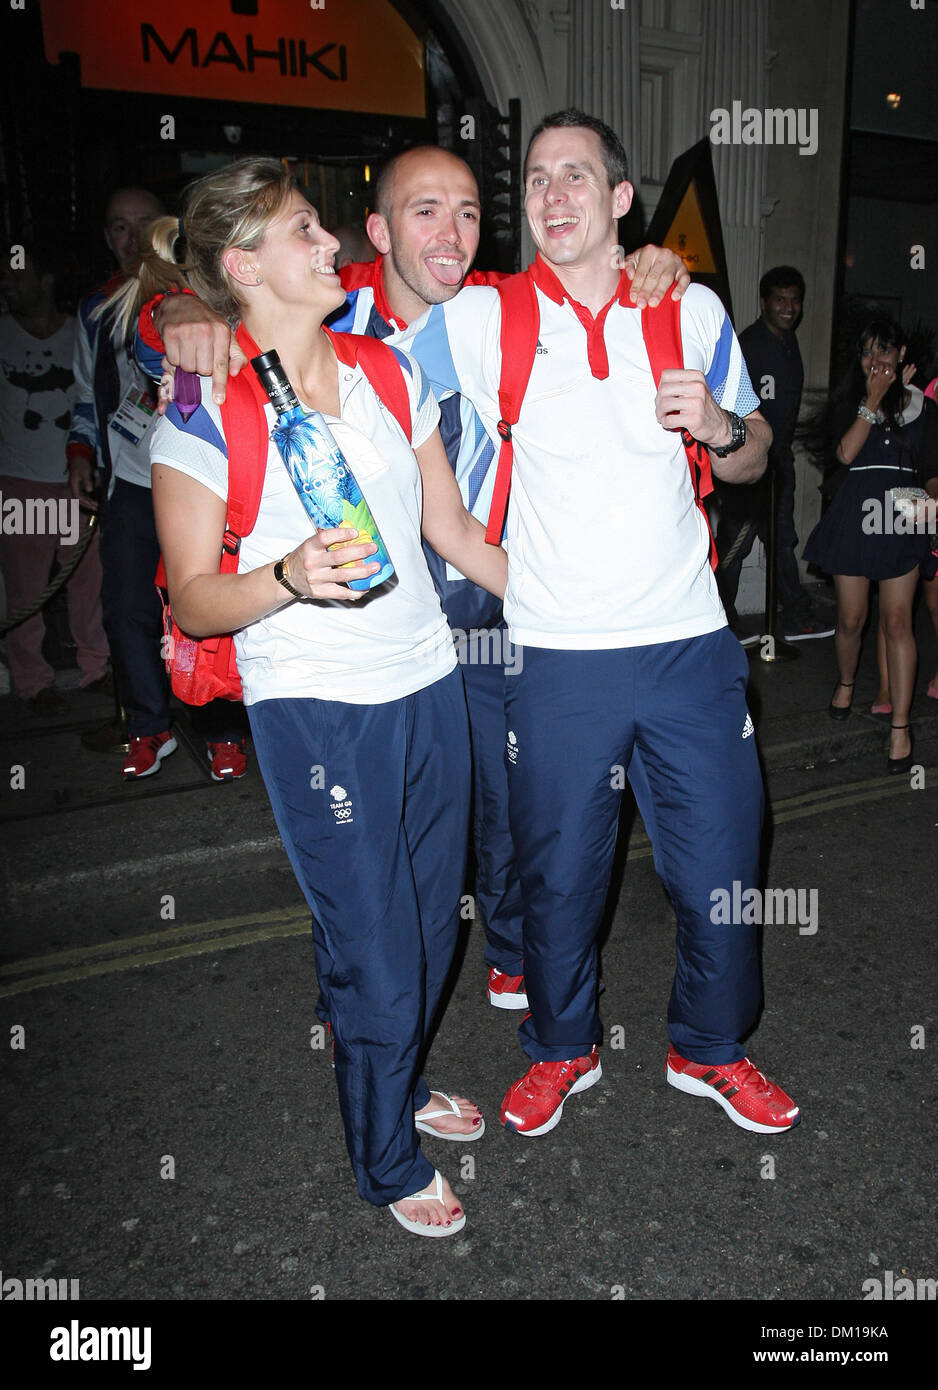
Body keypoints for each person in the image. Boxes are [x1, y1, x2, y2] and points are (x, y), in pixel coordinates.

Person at [140, 144, 689, 1010]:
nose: (451, 234)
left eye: (470, 211)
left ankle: (502, 952)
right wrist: (174, 310)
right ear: (378, 230)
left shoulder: (499, 307)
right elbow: (223, 289)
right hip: (346, 630)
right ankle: (366, 1002)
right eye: (425, 210)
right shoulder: (340, 304)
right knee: (365, 846)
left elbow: (601, 284)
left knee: (505, 796)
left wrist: (653, 260)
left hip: (483, 585)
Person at [392, 108, 801, 1140]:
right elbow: (353, 349)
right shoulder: (483, 320)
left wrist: (717, 426)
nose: (551, 196)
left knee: (720, 862)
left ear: (620, 198)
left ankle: (707, 1048)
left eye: (576, 176)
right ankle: (560, 1047)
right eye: (534, 180)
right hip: (558, 659)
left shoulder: (691, 307)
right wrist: (200, 313)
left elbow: (755, 451)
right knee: (557, 875)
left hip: (686, 648)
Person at [121, 156, 510, 1235]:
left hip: (428, 681)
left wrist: (585, 603)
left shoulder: (388, 372)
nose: (332, 246)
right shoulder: (202, 410)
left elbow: (455, 534)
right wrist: (288, 575)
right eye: (304, 232)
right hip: (317, 705)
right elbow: (195, 603)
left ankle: (393, 1071)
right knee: (374, 946)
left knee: (432, 926)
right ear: (242, 265)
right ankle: (384, 1157)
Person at [67, 187, 249, 780]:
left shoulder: (207, 303)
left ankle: (222, 731)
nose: (134, 237)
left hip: (201, 483)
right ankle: (148, 727)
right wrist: (82, 454)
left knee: (205, 605)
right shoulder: (99, 309)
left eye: (145, 224)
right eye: (120, 227)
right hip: (132, 481)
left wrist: (172, 305)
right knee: (127, 608)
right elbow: (83, 393)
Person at [803, 319, 938, 772]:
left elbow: (932, 468)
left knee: (899, 620)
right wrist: (873, 401)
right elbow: (844, 454)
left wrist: (931, 508)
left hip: (903, 511)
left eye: (885, 350)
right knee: (852, 618)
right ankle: (845, 682)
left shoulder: (923, 407)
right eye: (867, 351)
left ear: (901, 355)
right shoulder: (849, 399)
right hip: (856, 510)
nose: (875, 359)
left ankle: (901, 727)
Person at [0, 244, 109, 713]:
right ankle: (32, 682)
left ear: (45, 281)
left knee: (88, 584)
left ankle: (97, 669)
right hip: (20, 483)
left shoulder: (76, 332)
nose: (9, 287)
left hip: (75, 482)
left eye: (17, 276)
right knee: (25, 590)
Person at [716, 266, 833, 640]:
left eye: (794, 300)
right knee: (734, 547)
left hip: (779, 461)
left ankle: (796, 615)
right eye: (780, 300)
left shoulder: (787, 342)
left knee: (782, 540)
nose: (789, 308)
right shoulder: (750, 345)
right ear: (764, 302)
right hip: (751, 463)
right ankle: (719, 622)